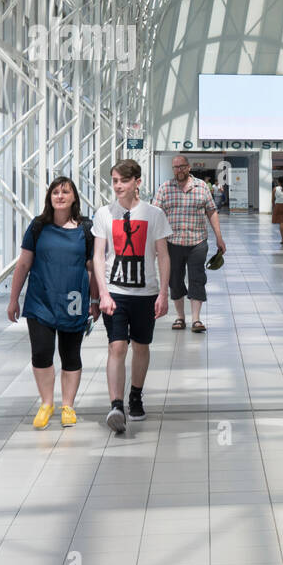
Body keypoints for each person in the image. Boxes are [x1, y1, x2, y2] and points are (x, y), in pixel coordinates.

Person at [6, 176, 99, 430]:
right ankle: (47, 403)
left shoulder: (85, 229)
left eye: (65, 192)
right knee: (41, 353)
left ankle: (67, 405)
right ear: (50, 197)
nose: (60, 196)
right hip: (40, 301)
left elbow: (92, 268)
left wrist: (95, 299)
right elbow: (23, 264)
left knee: (70, 355)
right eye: (55, 192)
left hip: (73, 301)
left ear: (74, 198)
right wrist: (14, 299)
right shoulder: (38, 227)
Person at [92, 159, 172, 432]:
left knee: (140, 346)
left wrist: (163, 292)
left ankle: (135, 395)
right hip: (116, 293)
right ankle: (116, 405)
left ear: (137, 182)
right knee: (117, 346)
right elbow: (98, 256)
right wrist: (103, 293)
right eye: (114, 181)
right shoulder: (104, 214)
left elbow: (163, 255)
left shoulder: (154, 214)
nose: (117, 186)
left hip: (145, 293)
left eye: (123, 181)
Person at [153, 155, 227, 334]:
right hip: (172, 243)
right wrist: (155, 243)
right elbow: (156, 214)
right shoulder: (165, 188)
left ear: (188, 167)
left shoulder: (201, 186)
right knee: (175, 281)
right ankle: (180, 317)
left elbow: (212, 212)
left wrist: (219, 237)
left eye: (182, 166)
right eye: (176, 167)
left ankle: (196, 319)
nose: (179, 170)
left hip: (197, 242)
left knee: (197, 279)